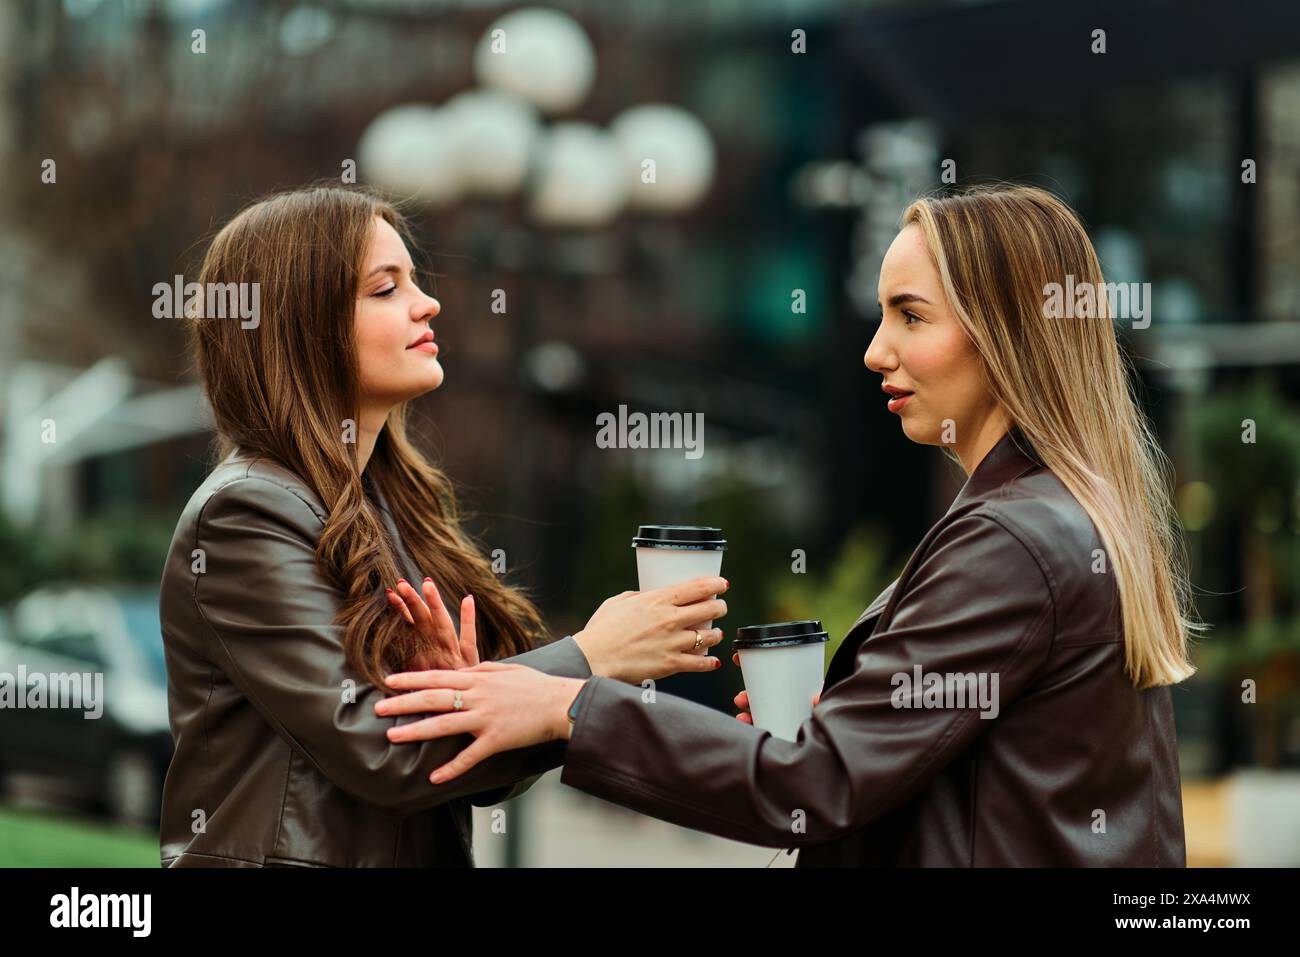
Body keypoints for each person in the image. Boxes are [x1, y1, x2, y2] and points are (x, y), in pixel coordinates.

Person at [376, 184, 1202, 866]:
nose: (877, 351)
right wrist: (854, 718)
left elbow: (815, 782)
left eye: (911, 316)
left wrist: (569, 706)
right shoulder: (1061, 515)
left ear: (1006, 332)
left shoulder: (1015, 537)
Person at [157, 185, 728, 867]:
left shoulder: (386, 509)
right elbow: (378, 750)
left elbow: (463, 767)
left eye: (415, 281)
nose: (426, 303)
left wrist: (474, 699)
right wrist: (592, 659)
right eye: (384, 288)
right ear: (300, 322)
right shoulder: (247, 513)